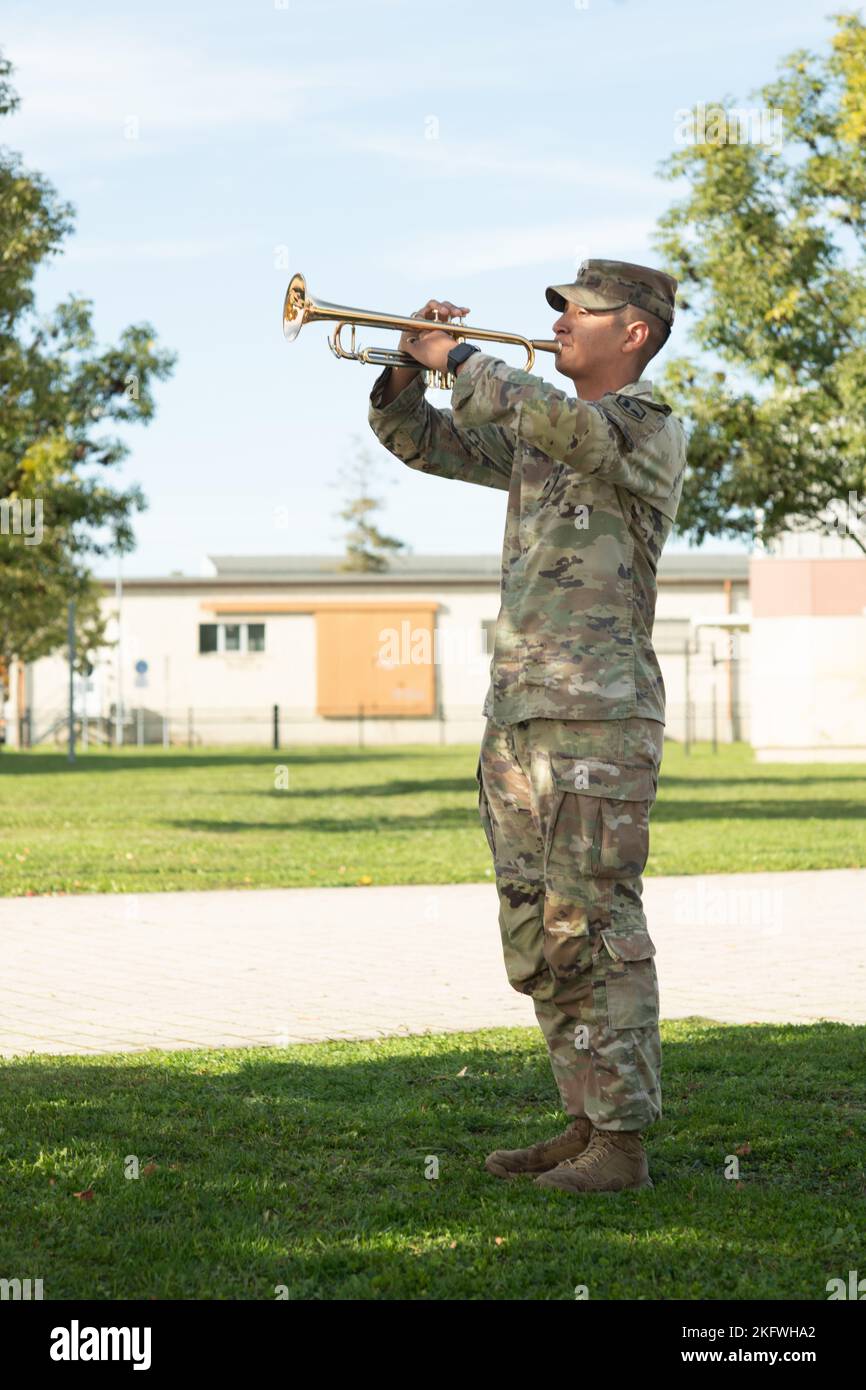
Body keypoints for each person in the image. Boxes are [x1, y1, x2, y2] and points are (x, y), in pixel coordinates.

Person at [367, 260, 686, 1193]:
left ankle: (621, 1145)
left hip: (598, 717)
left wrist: (460, 353)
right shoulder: (544, 439)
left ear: (632, 332)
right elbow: (423, 443)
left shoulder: (642, 427)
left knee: (597, 924)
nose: (559, 326)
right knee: (535, 925)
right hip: (520, 715)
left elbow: (556, 419)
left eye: (579, 313)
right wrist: (405, 371)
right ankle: (582, 1121)